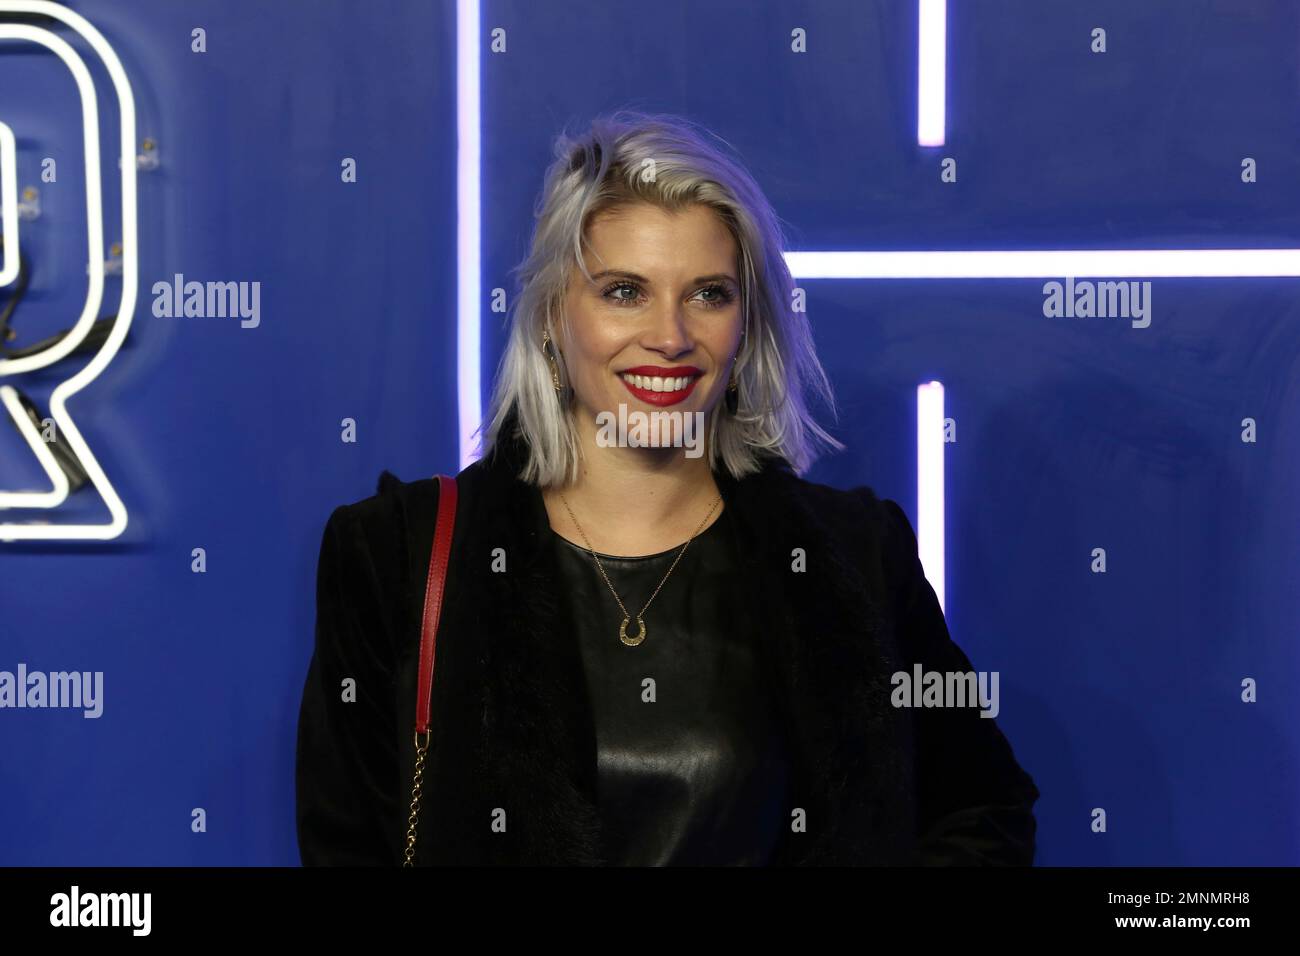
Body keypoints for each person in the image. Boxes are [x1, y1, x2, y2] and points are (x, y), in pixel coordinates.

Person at [295, 109, 1039, 866]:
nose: (671, 336)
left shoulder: (858, 555)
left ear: (748, 324)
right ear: (554, 316)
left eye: (708, 294)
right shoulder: (393, 557)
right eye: (624, 291)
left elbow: (985, 808)